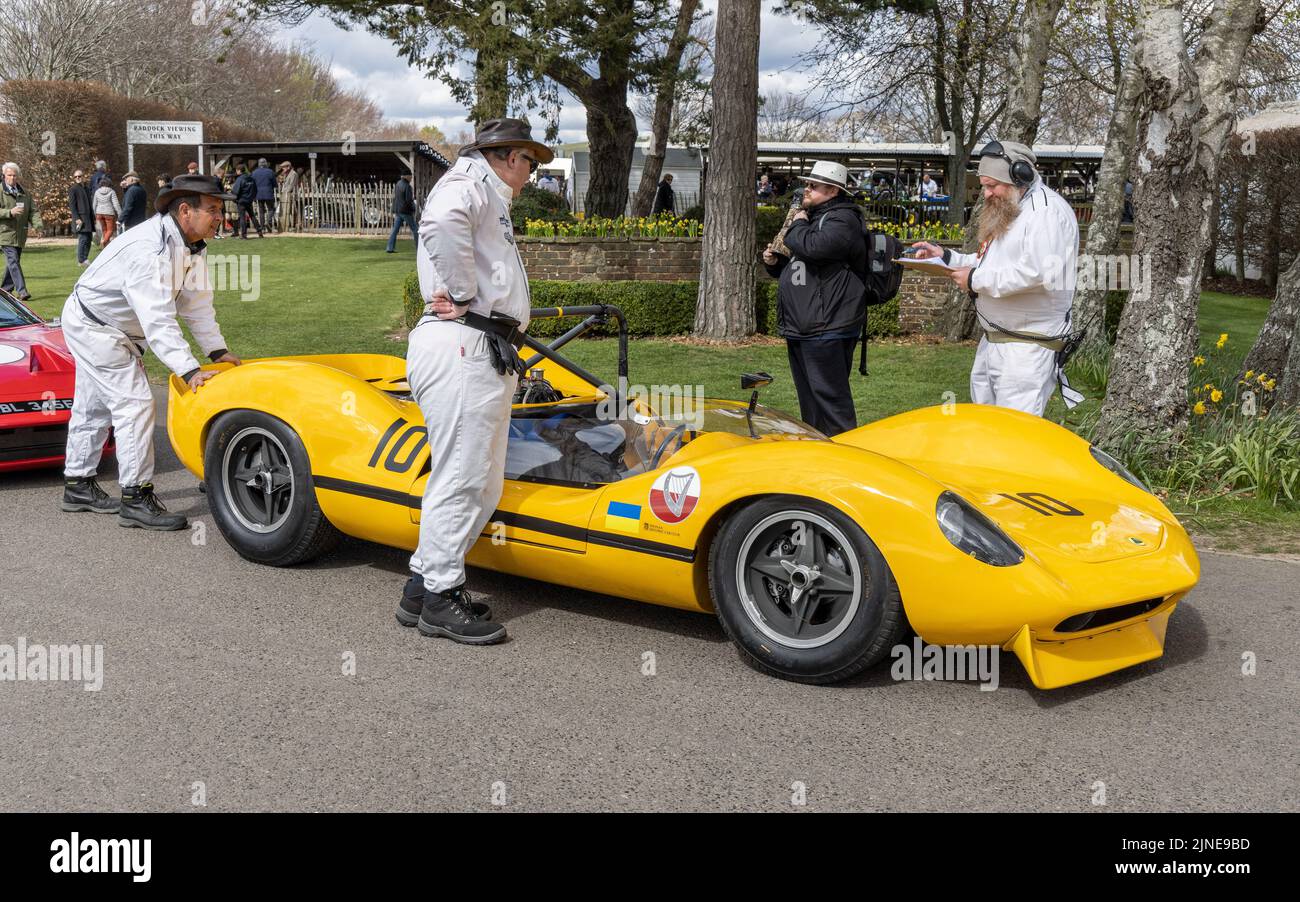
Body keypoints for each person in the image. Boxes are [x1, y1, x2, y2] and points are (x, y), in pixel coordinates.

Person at [398, 117, 553, 646]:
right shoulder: (469, 185)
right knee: (463, 476)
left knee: (478, 478)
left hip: (476, 343)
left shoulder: (483, 190)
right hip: (464, 341)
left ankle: (423, 584)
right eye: (529, 161)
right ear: (508, 156)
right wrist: (463, 292)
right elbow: (440, 226)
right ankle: (440, 598)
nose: (531, 173)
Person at [59, 174, 240, 529]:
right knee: (136, 405)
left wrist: (217, 351)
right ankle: (136, 498)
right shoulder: (151, 250)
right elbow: (158, 320)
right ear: (185, 210)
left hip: (102, 324)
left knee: (93, 405)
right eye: (214, 209)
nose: (221, 217)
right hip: (96, 327)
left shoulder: (190, 244)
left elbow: (196, 305)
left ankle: (78, 485)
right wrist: (189, 371)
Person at [910, 140, 1081, 416]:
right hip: (996, 341)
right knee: (987, 430)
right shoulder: (1014, 208)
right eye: (984, 186)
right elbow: (991, 263)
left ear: (1019, 176)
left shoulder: (1046, 213)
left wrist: (975, 279)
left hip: (1026, 349)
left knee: (1015, 436)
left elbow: (1037, 273)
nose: (986, 194)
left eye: (992, 186)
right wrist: (947, 258)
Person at [761, 160, 868, 437]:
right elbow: (802, 264)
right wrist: (774, 264)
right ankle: (819, 456)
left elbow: (814, 248)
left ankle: (845, 458)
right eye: (806, 184)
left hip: (827, 325)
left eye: (813, 185)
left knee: (831, 404)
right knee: (810, 402)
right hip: (803, 325)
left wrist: (797, 226)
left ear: (833, 191)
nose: (805, 190)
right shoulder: (814, 218)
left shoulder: (843, 219)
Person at [1, 162, 44, 301]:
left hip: (20, 234)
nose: (12, 178)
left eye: (14, 175)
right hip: (4, 233)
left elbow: (33, 211)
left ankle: (5, 290)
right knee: (13, 260)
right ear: (4, 175)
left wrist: (38, 227)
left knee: (13, 262)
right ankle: (22, 291)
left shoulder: (25, 193)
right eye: (9, 175)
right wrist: (9, 212)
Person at [68, 169, 95, 267]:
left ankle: (85, 258)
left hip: (88, 217)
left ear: (83, 177)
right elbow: (72, 206)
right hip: (80, 218)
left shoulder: (87, 188)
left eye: (79, 176)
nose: (78, 178)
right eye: (76, 177)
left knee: (89, 238)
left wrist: (93, 217)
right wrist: (76, 218)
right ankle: (81, 259)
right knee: (83, 238)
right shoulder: (73, 189)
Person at [385, 172, 417, 253]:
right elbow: (408, 201)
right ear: (407, 176)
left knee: (395, 230)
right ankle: (419, 248)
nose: (411, 178)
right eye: (411, 176)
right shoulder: (407, 186)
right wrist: (413, 209)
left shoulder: (398, 184)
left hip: (398, 210)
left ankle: (389, 248)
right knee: (415, 229)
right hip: (406, 211)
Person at [232, 165, 263, 238]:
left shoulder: (240, 179)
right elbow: (255, 190)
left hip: (241, 201)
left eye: (237, 170)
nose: (236, 172)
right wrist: (252, 198)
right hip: (249, 200)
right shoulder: (251, 178)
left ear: (239, 170)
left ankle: (243, 235)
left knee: (242, 217)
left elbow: (235, 191)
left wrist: (234, 198)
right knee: (252, 216)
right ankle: (259, 232)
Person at [92, 175, 121, 245]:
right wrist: (120, 213)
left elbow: (94, 204)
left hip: (99, 214)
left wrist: (93, 214)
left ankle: (105, 247)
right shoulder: (112, 191)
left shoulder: (97, 192)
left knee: (104, 230)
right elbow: (116, 204)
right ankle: (104, 242)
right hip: (109, 214)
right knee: (110, 230)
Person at [251, 158, 277, 233]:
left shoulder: (254, 172)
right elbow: (274, 184)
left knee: (261, 211)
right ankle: (268, 222)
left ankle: (262, 228)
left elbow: (252, 184)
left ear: (259, 164)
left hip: (258, 194)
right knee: (271, 209)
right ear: (265, 164)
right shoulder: (270, 171)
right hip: (268, 193)